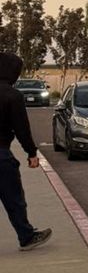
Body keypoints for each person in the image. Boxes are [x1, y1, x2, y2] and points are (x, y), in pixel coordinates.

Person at [0, 51, 52, 251]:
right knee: (14, 199)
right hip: (2, 155)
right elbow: (22, 129)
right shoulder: (12, 96)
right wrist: (31, 153)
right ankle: (26, 236)